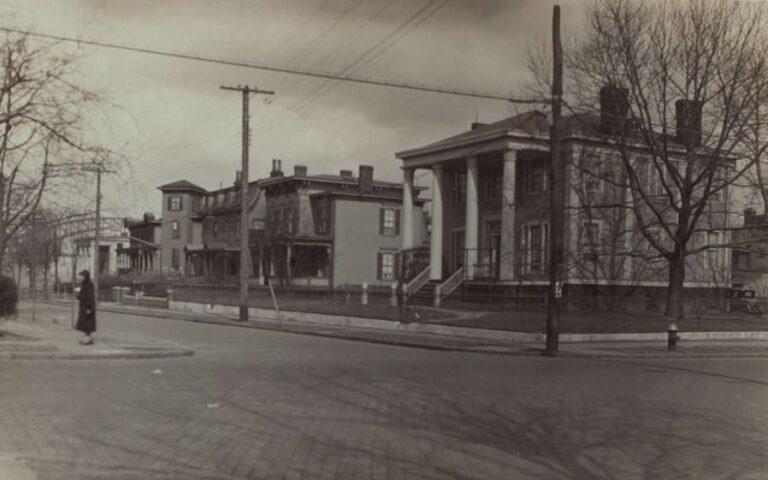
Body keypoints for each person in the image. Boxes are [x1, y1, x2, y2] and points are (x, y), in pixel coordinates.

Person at [76, 270, 96, 345]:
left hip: (87, 307)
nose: (80, 278)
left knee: (88, 324)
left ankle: (88, 340)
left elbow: (90, 298)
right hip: (84, 307)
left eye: (81, 277)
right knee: (85, 323)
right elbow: (81, 296)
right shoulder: (84, 284)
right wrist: (78, 294)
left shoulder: (89, 285)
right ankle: (86, 338)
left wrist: (89, 308)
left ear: (85, 277)